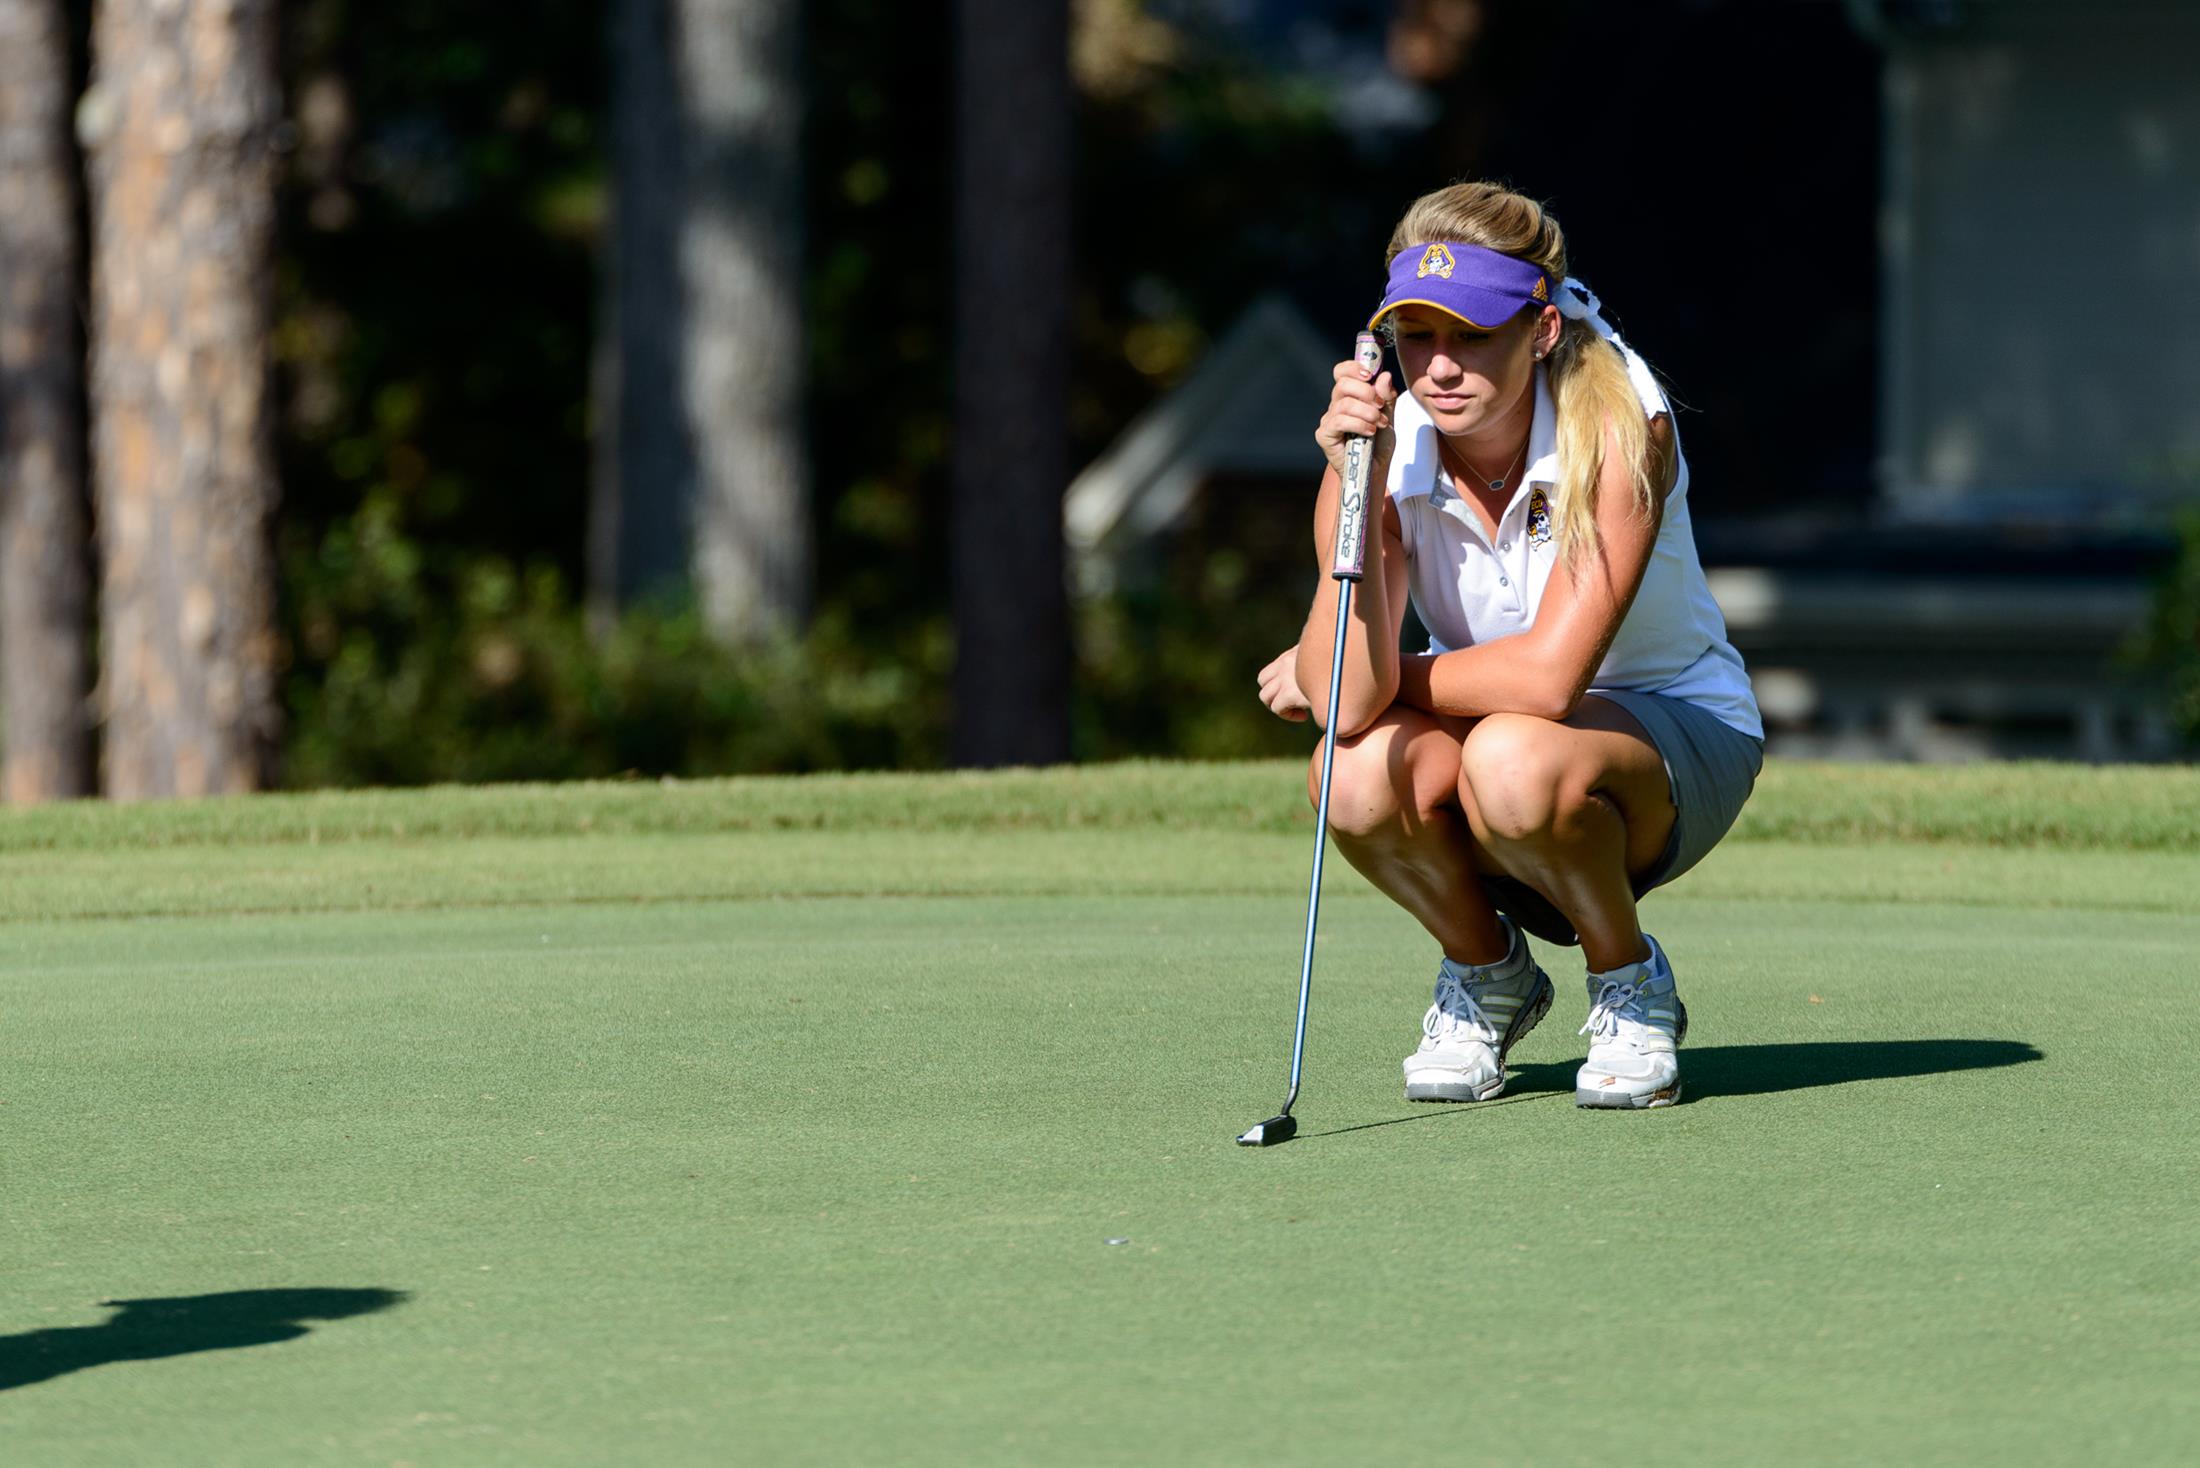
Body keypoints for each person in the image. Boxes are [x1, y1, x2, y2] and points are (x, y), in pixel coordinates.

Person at [1255, 181, 1763, 1109]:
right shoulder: (1385, 444)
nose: (1440, 368)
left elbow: (1548, 678)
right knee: (1350, 772)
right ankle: (1488, 973)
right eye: (1417, 338)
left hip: (1675, 733)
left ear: (1540, 329)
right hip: (1499, 730)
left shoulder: (1620, 423)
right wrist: (1350, 478)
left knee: (1512, 756)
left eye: (1473, 335)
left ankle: (1630, 981)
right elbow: (1345, 706)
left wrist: (1380, 677)